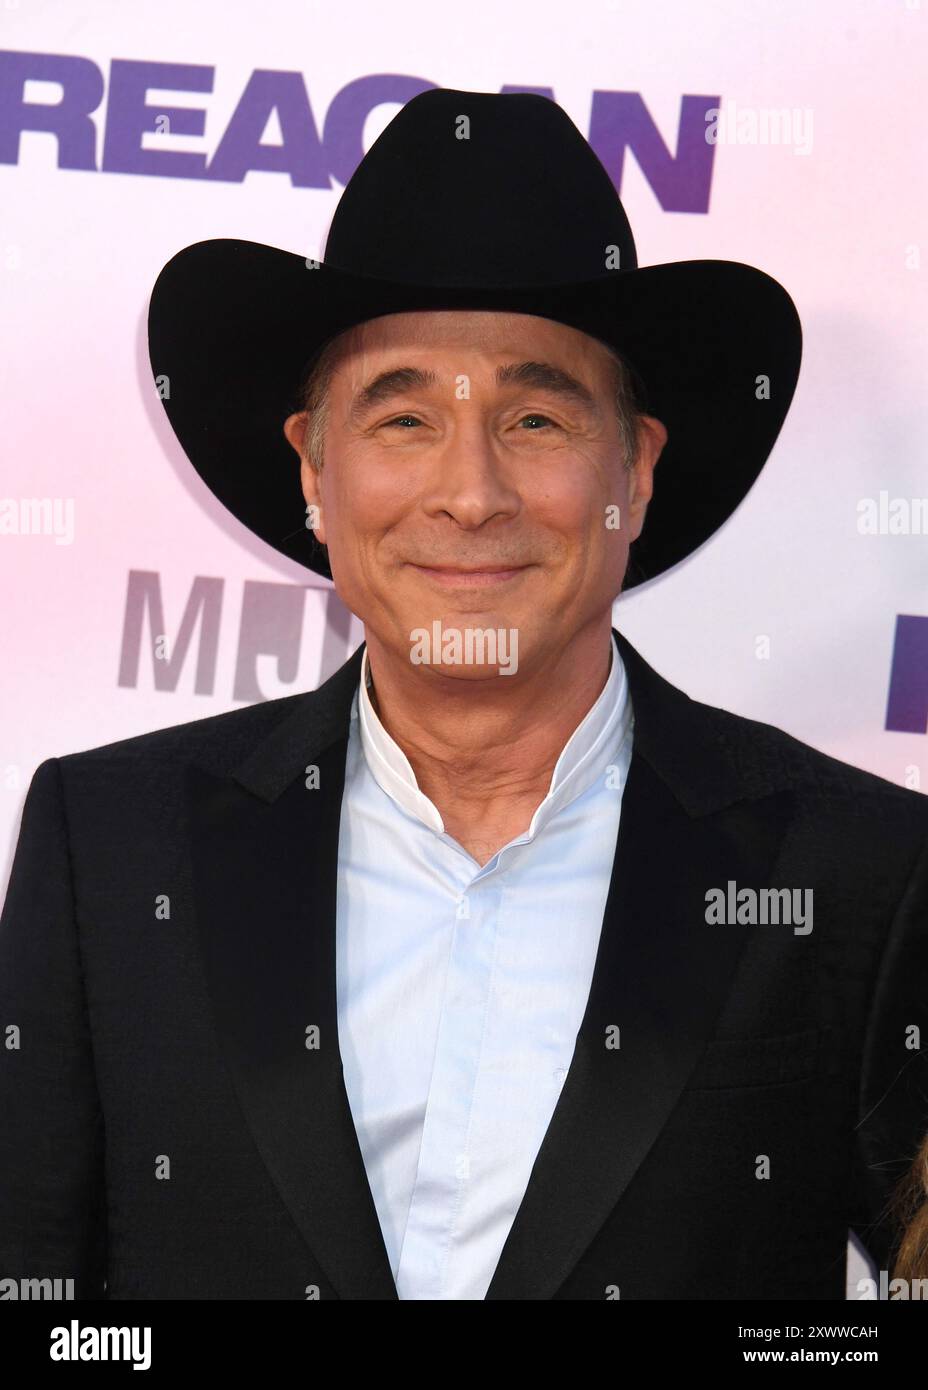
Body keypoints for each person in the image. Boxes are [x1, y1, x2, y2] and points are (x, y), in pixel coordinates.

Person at [1, 87, 926, 1301]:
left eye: (535, 416)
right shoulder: (109, 848)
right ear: (316, 471)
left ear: (633, 473)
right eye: (402, 417)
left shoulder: (857, 866)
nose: (470, 491)